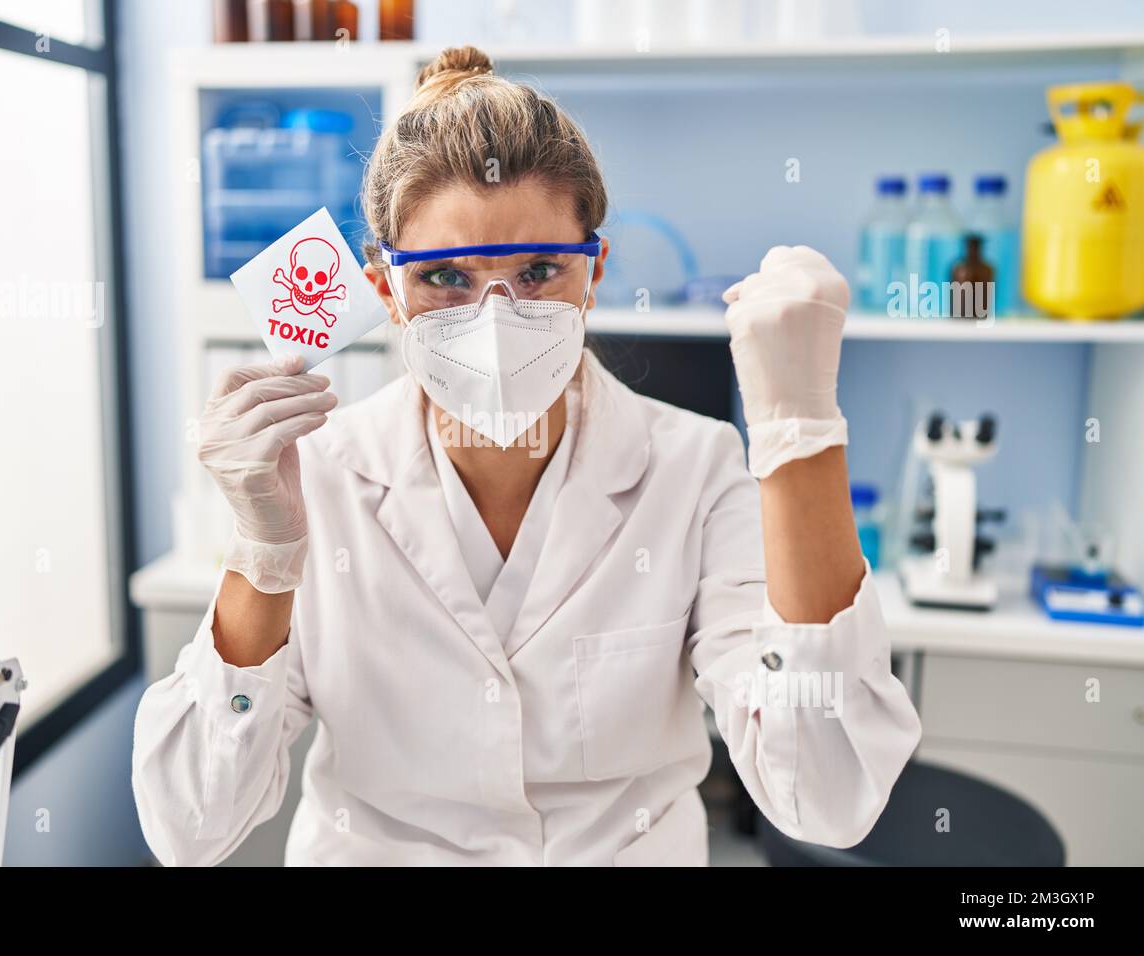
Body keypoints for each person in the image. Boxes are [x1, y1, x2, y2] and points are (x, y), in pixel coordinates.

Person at [132, 46, 921, 867]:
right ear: (384, 295)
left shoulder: (695, 467)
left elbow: (827, 798)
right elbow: (191, 830)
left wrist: (800, 434)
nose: (495, 318)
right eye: (444, 277)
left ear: (595, 274)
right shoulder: (320, 477)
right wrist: (266, 554)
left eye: (540, 269)